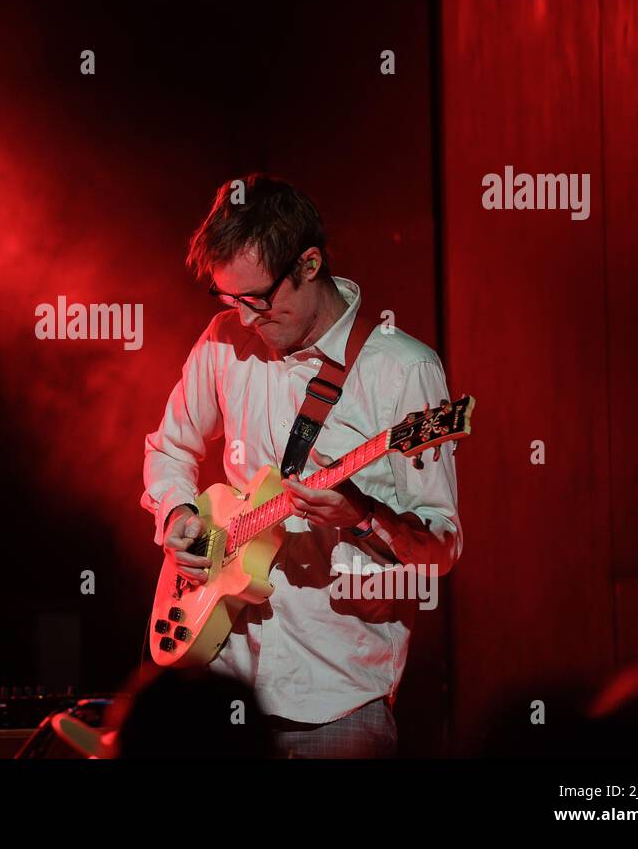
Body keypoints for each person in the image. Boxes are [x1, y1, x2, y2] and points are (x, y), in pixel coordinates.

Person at [141, 173, 464, 757]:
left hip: (334, 695)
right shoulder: (223, 342)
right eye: (228, 300)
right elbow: (170, 447)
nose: (244, 320)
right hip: (221, 682)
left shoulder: (403, 370)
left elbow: (440, 550)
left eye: (258, 300)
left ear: (309, 263)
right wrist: (178, 513)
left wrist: (360, 517)